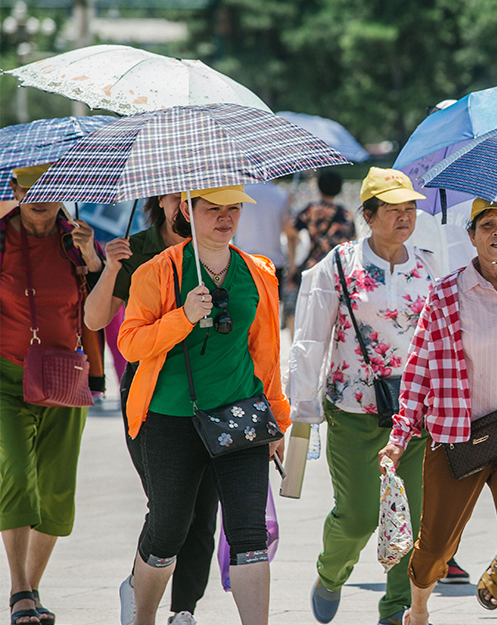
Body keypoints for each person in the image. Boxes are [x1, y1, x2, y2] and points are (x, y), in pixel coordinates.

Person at [116, 185, 290, 625]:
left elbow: (266, 353)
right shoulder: (158, 272)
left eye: (233, 209)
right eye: (214, 209)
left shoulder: (258, 272)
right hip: (170, 419)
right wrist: (183, 317)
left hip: (241, 417)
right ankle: (142, 615)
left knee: (249, 533)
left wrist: (278, 423)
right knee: (168, 532)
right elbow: (130, 344)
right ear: (188, 212)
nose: (226, 218)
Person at [379, 198, 497, 625]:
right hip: (458, 436)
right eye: (488, 224)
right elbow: (417, 368)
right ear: (471, 236)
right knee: (437, 545)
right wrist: (399, 438)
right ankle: (417, 613)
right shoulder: (447, 293)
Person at [286, 168, 440, 625]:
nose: (403, 217)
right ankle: (331, 574)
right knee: (357, 517)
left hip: (414, 414)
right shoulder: (336, 266)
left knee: (408, 519)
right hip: (352, 407)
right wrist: (303, 410)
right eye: (392, 210)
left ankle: (395, 610)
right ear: (368, 215)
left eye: (409, 208)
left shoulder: (431, 265)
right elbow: (311, 340)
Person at [84, 194, 213, 625]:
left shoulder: (214, 242)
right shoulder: (135, 247)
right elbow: (96, 319)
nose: (192, 202)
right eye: (182, 194)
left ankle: (183, 610)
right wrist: (111, 267)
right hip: (150, 395)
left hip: (210, 393)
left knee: (203, 509)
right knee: (170, 506)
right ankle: (140, 589)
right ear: (162, 197)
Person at [1, 164, 105, 625]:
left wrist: (99, 262)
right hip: (5, 377)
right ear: (15, 188)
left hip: (65, 376)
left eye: (51, 187)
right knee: (19, 477)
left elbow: (103, 312)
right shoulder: (1, 237)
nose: (40, 197)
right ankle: (19, 589)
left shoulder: (77, 242)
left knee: (58, 492)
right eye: (30, 187)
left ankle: (33, 588)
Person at [285, 169, 356, 284]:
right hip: (339, 271)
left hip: (314, 269)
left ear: (319, 187)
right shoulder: (346, 214)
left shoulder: (312, 210)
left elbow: (289, 231)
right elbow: (353, 242)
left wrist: (288, 207)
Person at [236, 182, 291, 294]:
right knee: (271, 309)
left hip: (244, 259)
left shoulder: (239, 193)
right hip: (273, 261)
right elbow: (289, 230)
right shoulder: (282, 195)